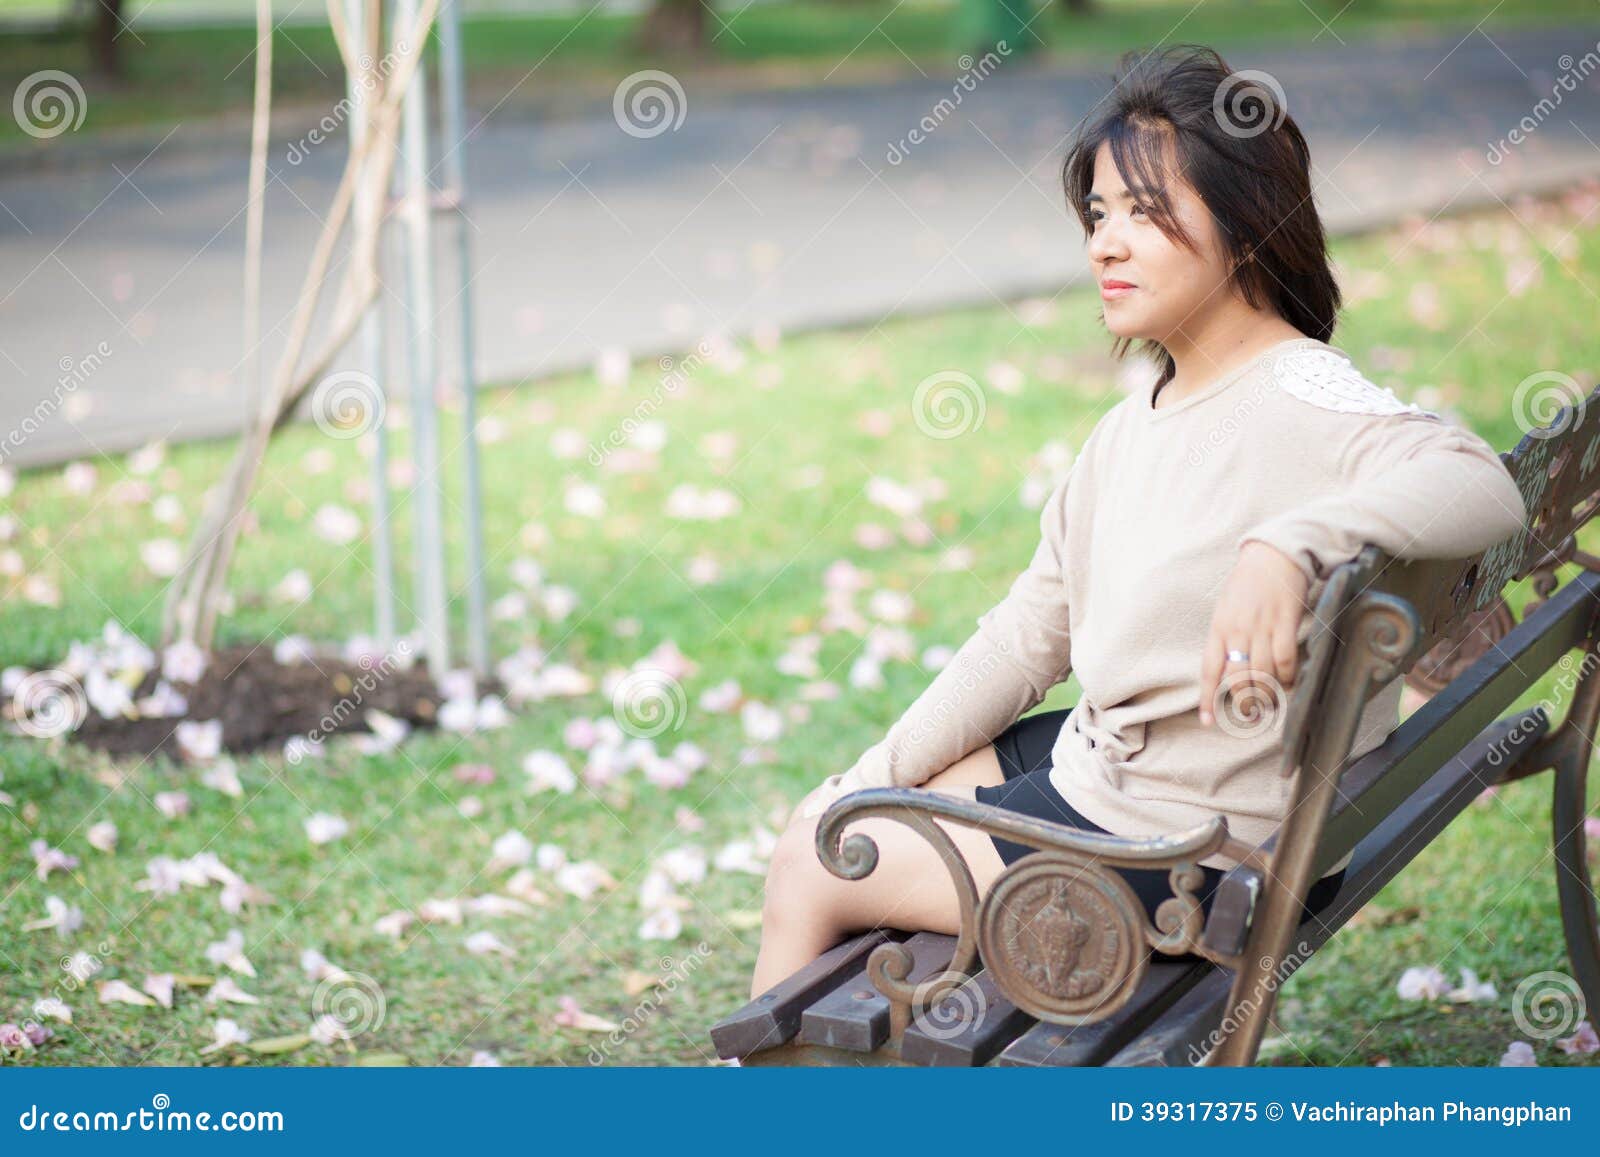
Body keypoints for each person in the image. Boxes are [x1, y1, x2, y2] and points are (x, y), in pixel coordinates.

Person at [747, 44, 1530, 1000]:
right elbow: (1025, 638)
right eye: (1098, 213)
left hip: (1186, 858)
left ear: (1246, 227)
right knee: (855, 814)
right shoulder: (1137, 423)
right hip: (1129, 788)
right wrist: (868, 776)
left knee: (810, 864)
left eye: (1145, 212)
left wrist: (1286, 548)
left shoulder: (1298, 390)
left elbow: (1477, 480)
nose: (1104, 245)